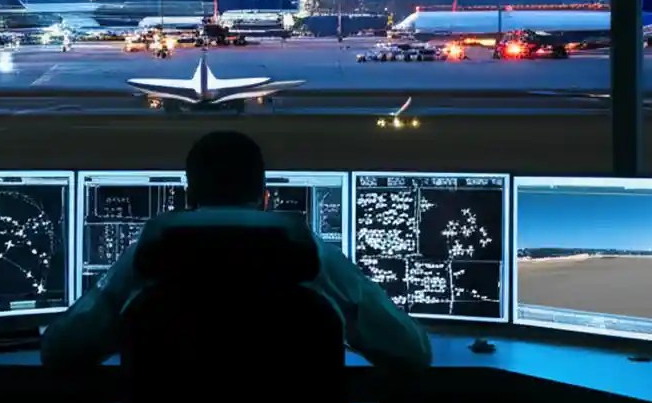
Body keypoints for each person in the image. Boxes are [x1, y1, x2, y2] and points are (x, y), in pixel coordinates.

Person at [40, 130, 432, 374]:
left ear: (189, 197)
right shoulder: (314, 258)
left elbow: (60, 352)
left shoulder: (147, 259)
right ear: (266, 198)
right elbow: (413, 354)